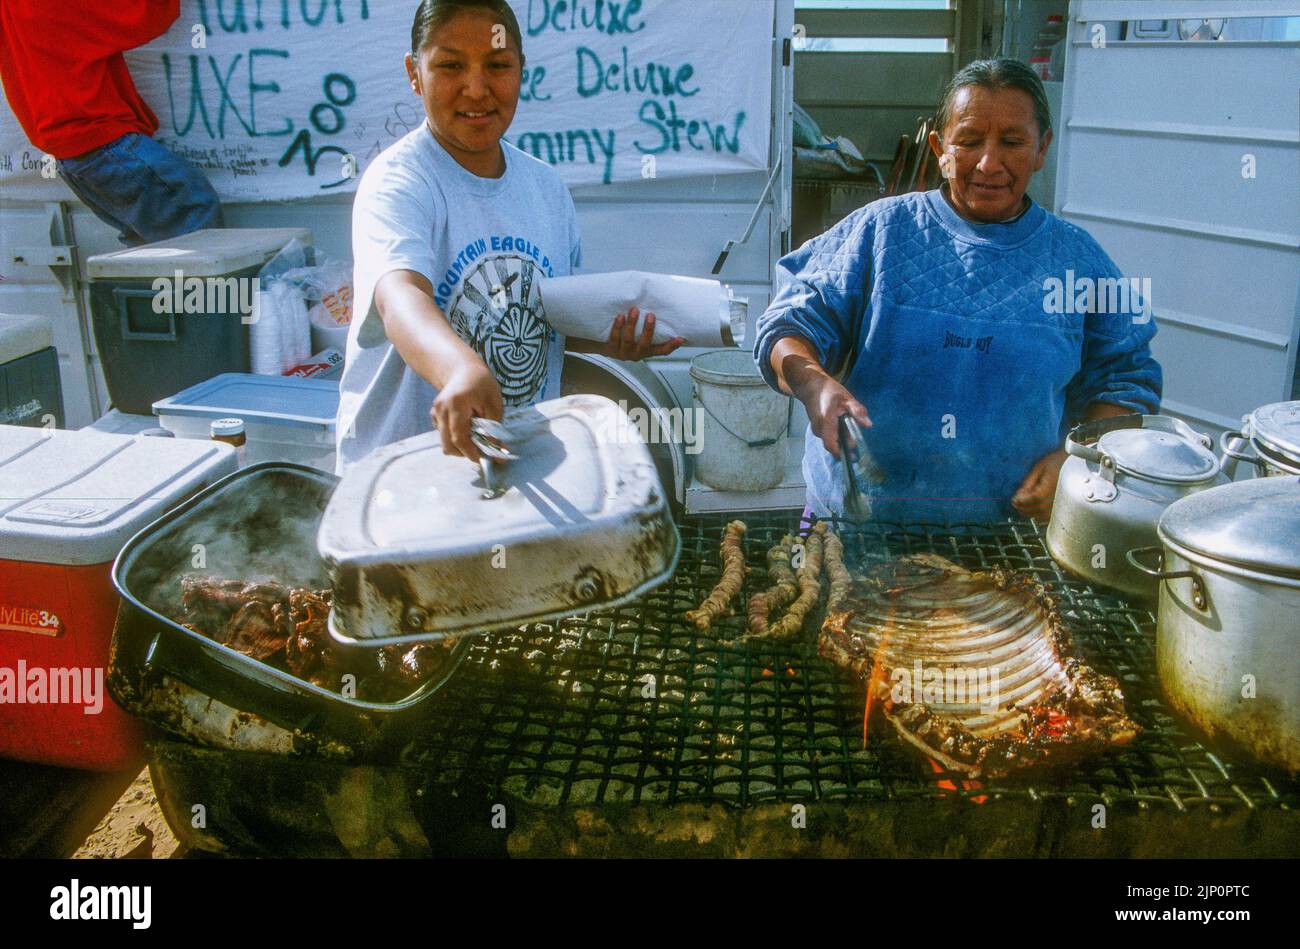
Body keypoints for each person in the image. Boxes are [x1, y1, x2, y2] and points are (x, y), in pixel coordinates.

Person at [754, 58, 1161, 525]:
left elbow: (1128, 379)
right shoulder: (879, 233)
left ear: (1042, 148)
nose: (989, 163)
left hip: (1013, 542)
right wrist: (814, 386)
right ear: (939, 147)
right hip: (857, 530)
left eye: (1012, 142)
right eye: (968, 142)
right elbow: (787, 327)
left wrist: (1082, 458)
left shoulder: (1077, 262)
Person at [337, 0, 682, 472]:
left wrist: (610, 338)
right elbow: (400, 301)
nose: (476, 90)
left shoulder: (546, 189)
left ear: (522, 71)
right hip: (403, 484)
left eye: (497, 65)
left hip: (514, 472)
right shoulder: (398, 182)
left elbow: (538, 321)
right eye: (450, 65)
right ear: (414, 73)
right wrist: (460, 370)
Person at [0, 1, 222, 245]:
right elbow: (143, 17)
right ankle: (207, 285)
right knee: (192, 217)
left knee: (153, 247)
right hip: (101, 140)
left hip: (74, 152)